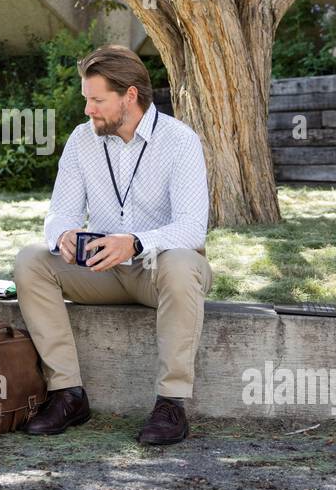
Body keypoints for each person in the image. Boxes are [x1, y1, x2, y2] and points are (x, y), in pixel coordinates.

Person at [14, 45, 212, 446]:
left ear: (130, 96)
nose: (88, 109)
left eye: (97, 100)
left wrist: (135, 242)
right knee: (30, 260)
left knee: (179, 263)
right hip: (102, 270)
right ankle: (68, 393)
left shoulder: (179, 141)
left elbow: (193, 229)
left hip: (159, 271)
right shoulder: (82, 140)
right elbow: (58, 213)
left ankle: (171, 404)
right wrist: (64, 235)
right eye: (86, 99)